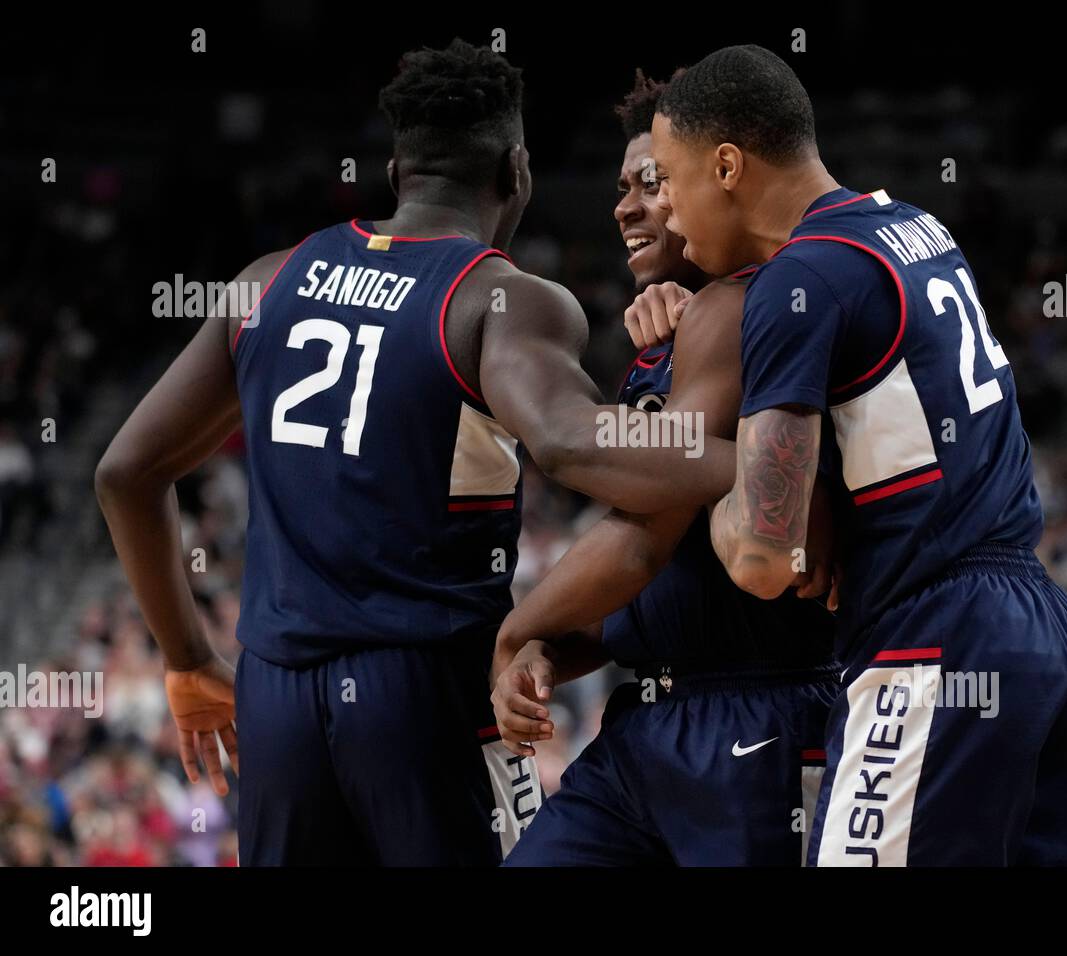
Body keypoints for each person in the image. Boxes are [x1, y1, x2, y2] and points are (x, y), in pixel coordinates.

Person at [95, 41, 734, 866]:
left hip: (275, 693)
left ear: (398, 171)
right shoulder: (501, 298)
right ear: (516, 172)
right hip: (428, 694)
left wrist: (186, 659)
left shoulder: (264, 281)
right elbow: (571, 443)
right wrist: (762, 462)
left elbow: (124, 473)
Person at [652, 44, 1067, 865]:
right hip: (1049, 631)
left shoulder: (801, 281)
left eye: (668, 179)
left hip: (936, 641)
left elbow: (763, 556)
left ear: (725, 166)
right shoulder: (914, 228)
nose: (669, 215)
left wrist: (723, 492)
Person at [492, 72, 837, 866]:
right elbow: (649, 576)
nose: (632, 206)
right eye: (623, 187)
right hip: (648, 716)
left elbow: (644, 534)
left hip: (766, 711)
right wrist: (555, 650)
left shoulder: (761, 306)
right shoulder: (662, 343)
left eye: (655, 181)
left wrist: (523, 628)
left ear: (712, 178)